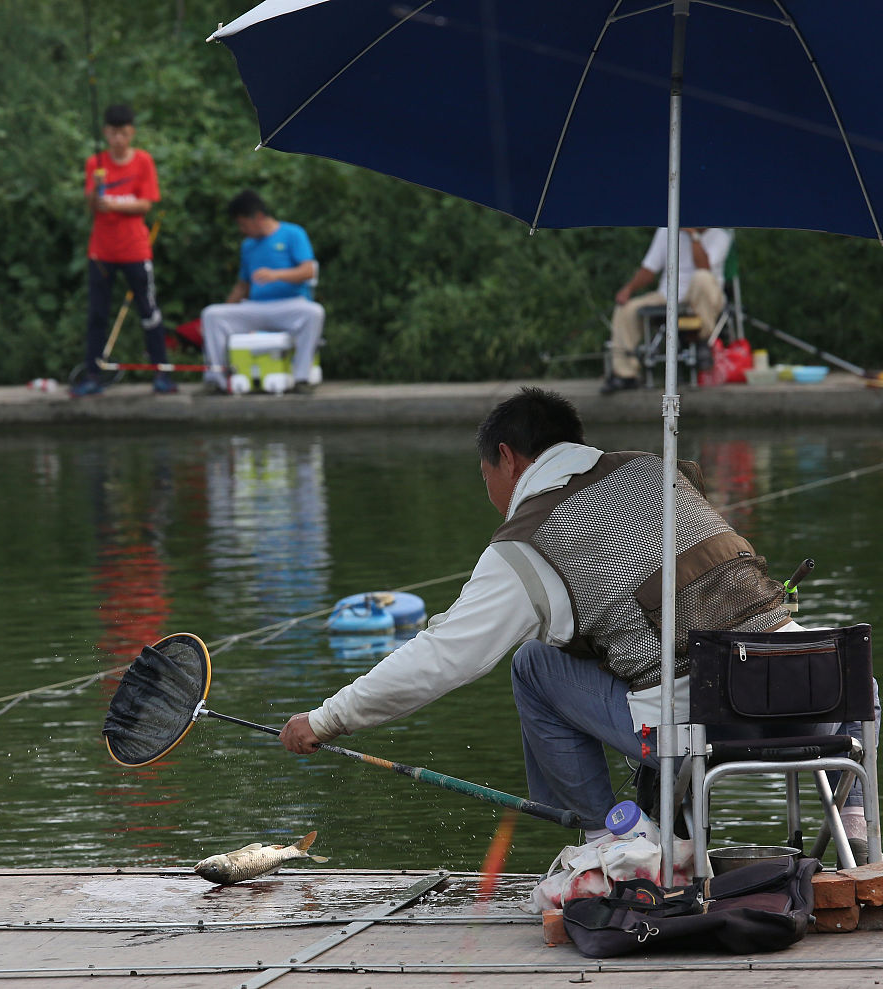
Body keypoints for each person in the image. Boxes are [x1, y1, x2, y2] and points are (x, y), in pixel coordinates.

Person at [279, 387, 876, 855]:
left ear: (507, 459)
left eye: (485, 475)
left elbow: (443, 657)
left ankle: (614, 838)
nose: (489, 491)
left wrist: (328, 719)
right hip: (820, 710)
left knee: (534, 665)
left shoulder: (527, 543)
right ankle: (855, 818)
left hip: (706, 730)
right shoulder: (658, 473)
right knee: (814, 659)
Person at [74, 103, 174, 397]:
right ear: (105, 133)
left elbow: (145, 204)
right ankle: (93, 374)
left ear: (131, 132)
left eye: (123, 132)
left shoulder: (143, 161)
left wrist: (114, 204)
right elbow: (92, 205)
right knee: (97, 314)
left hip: (135, 250)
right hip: (101, 253)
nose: (118, 138)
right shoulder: (96, 163)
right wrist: (96, 189)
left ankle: (162, 372)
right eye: (113, 133)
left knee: (148, 310)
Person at [200, 190, 324, 396]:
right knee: (211, 314)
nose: (242, 230)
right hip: (255, 308)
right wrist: (226, 309)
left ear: (257, 217)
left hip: (290, 305)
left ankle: (301, 378)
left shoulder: (293, 233)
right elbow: (242, 286)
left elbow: (309, 270)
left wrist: (276, 275)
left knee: (314, 312)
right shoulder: (248, 245)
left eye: (243, 224)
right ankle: (216, 380)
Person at [602, 226, 732, 394]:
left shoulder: (721, 235)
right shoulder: (666, 230)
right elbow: (649, 269)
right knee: (627, 310)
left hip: (705, 297)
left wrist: (694, 236)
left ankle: (703, 341)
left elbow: (704, 266)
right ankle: (625, 374)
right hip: (668, 295)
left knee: (702, 278)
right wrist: (628, 289)